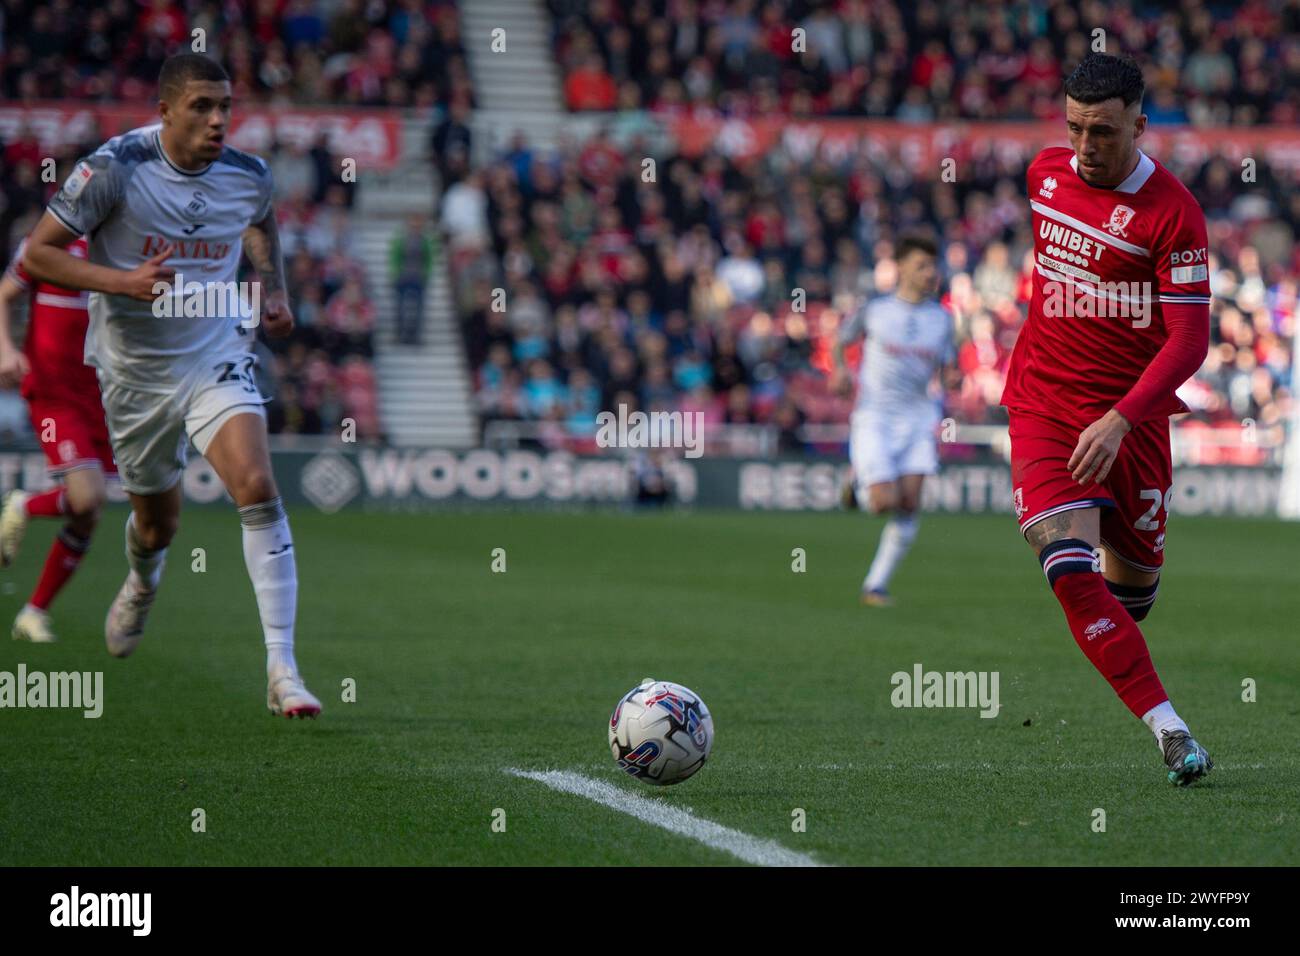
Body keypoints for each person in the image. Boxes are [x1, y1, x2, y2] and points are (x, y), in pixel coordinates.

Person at [21, 52, 321, 718]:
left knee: (257, 485)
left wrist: (273, 291)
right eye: (202, 108)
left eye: (225, 108)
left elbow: (260, 218)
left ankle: (283, 668)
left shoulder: (249, 175)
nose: (218, 122)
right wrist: (123, 282)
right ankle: (143, 578)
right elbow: (36, 256)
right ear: (165, 111)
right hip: (133, 373)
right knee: (157, 526)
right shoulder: (113, 170)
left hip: (214, 351)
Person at [999, 53, 1212, 784]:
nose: (1087, 147)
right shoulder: (1044, 175)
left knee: (1135, 598)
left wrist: (1122, 417)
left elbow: (1189, 340)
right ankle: (1172, 731)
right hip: (1043, 407)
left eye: (1105, 133)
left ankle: (1125, 631)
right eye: (1076, 129)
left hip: (1133, 424)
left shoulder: (1174, 214)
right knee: (1069, 572)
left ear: (1140, 126)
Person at [832, 234, 959, 606]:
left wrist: (952, 378)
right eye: (921, 265)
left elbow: (949, 366)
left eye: (932, 265)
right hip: (876, 415)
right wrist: (840, 372)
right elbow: (842, 340)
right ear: (901, 267)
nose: (929, 272)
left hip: (919, 416)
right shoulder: (875, 309)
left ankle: (875, 585)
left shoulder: (942, 319)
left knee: (909, 501)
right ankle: (856, 484)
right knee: (883, 502)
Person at [0, 233, 110, 643]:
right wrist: (5, 349)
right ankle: (25, 503)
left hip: (100, 392)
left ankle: (33, 613)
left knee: (89, 513)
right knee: (86, 497)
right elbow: (4, 293)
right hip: (53, 390)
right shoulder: (47, 243)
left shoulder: (121, 245)